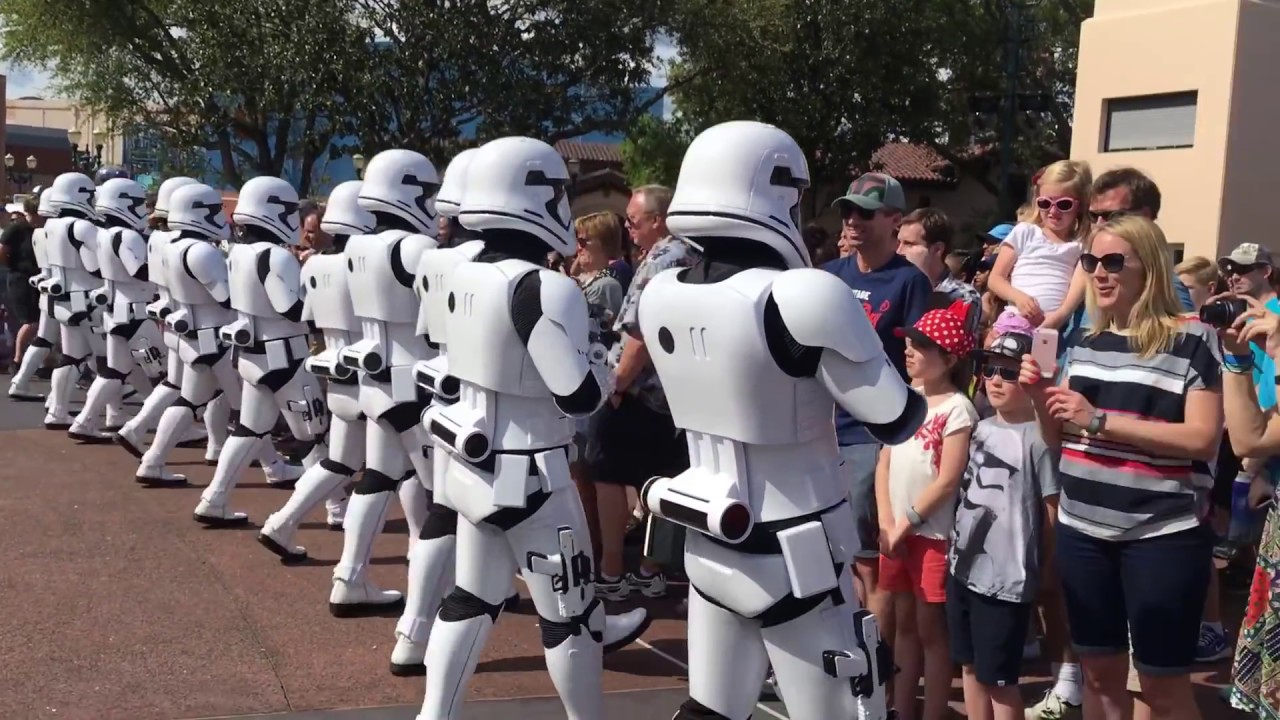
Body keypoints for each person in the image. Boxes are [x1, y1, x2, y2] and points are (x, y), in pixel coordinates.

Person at [638, 119, 915, 720]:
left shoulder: (663, 290)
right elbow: (895, 416)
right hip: (797, 551)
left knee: (709, 710)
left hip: (708, 539)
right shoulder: (803, 295)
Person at [419, 136, 619, 719]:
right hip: (534, 471)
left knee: (471, 597)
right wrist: (601, 360)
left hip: (469, 462)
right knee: (571, 614)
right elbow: (579, 394)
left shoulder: (454, 269)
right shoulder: (542, 286)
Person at [1019, 215, 1221, 720]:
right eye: (1092, 263)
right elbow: (1060, 440)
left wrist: (1101, 420)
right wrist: (1041, 400)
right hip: (1082, 530)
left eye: (1114, 262)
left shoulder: (1192, 338)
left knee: (1162, 686)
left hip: (1161, 534)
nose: (1100, 273)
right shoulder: (1086, 342)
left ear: (1149, 269)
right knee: (1099, 680)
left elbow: (1201, 439)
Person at [331, 149, 440, 616]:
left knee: (378, 478)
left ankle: (348, 577)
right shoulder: (417, 249)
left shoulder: (358, 246)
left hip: (377, 380)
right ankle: (436, 605)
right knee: (447, 498)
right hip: (415, 383)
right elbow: (440, 321)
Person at [822, 172, 932, 626]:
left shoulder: (909, 283)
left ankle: (873, 666)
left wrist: (898, 441)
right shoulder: (828, 277)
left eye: (864, 213)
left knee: (869, 560)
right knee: (827, 558)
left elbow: (921, 368)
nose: (852, 220)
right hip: (820, 432)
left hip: (871, 438)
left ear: (893, 220)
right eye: (848, 211)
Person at [195, 176, 327, 525]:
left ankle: (215, 497)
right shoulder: (276, 257)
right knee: (314, 440)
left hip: (252, 356)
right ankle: (335, 507)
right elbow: (293, 310)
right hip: (284, 357)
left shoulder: (239, 253)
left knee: (249, 431)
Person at [592, 184, 699, 602]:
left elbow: (643, 329)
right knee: (657, 481)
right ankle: (648, 569)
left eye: (634, 221)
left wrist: (618, 383)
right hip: (659, 393)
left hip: (641, 391)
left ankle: (614, 572)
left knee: (610, 476)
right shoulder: (679, 253)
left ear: (658, 220)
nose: (628, 228)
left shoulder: (666, 257)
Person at [258, 180, 373, 564]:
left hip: (337, 372)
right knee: (393, 474)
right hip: (373, 379)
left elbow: (306, 316)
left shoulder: (316, 264)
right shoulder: (367, 265)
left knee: (337, 462)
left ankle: (283, 521)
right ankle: (357, 570)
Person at [949, 331, 1060, 720]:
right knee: (969, 667)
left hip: (1007, 581)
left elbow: (1051, 510)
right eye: (990, 370)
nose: (995, 380)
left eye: (1009, 373)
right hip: (962, 568)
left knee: (1000, 681)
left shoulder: (1039, 439)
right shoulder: (979, 426)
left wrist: (1045, 568)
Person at [877, 301, 978, 720]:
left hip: (931, 535)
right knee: (903, 624)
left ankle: (932, 712)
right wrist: (887, 523)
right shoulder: (907, 399)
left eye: (923, 345)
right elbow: (885, 462)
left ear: (950, 359)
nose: (910, 350)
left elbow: (947, 479)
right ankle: (901, 709)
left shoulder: (957, 409)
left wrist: (908, 522)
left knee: (930, 631)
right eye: (910, 343)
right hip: (896, 532)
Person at [68, 178, 165, 442]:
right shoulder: (128, 236)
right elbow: (140, 272)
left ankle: (84, 421)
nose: (143, 209)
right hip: (136, 312)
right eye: (138, 203)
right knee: (167, 376)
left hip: (115, 311)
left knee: (113, 372)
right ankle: (163, 427)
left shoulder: (104, 233)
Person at [987, 160, 1091, 334]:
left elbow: (1078, 287)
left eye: (1064, 204)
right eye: (1045, 203)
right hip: (1016, 319)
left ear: (1079, 206)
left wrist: (1060, 316)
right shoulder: (1026, 232)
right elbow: (995, 278)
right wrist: (1018, 298)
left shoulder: (1081, 245)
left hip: (1053, 327)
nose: (1053, 211)